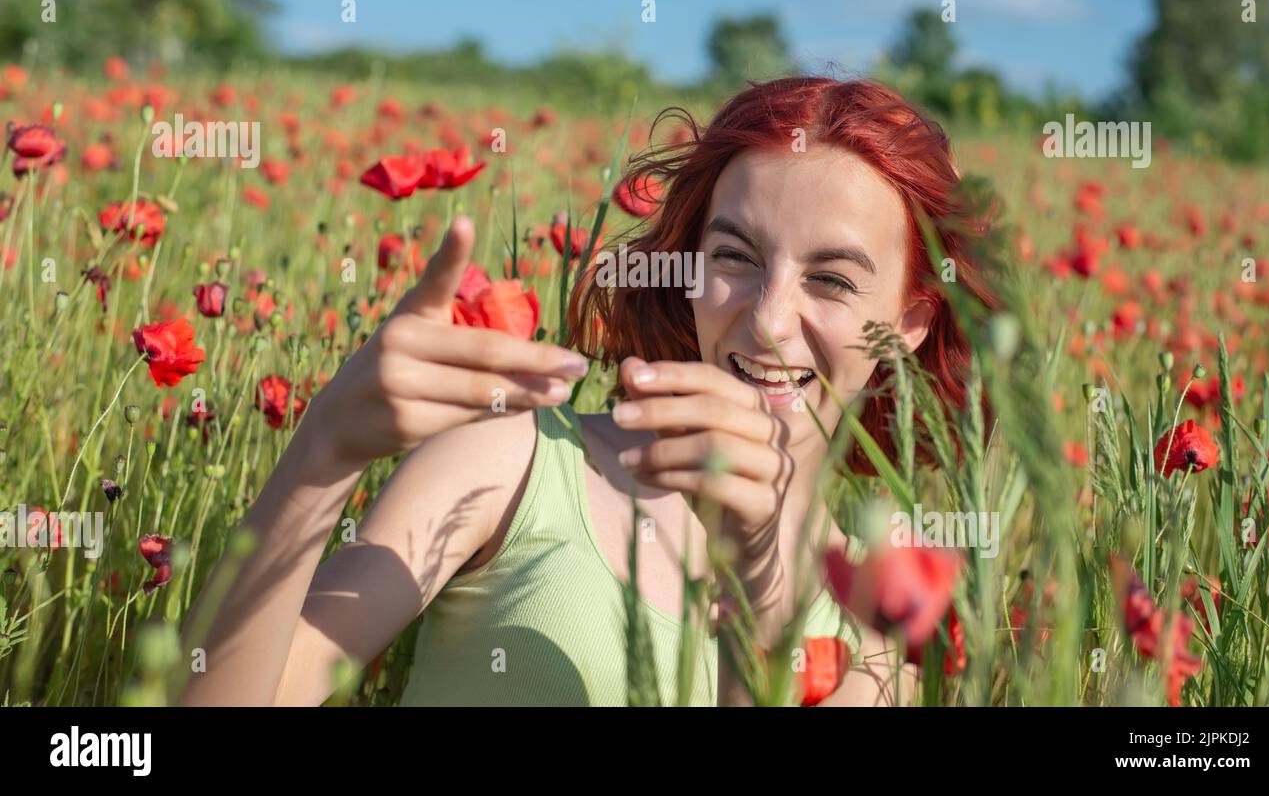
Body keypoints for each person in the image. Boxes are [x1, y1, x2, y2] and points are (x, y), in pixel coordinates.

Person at [177, 76, 993, 706]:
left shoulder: (878, 630)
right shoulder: (513, 463)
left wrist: (757, 591)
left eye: (832, 279)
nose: (769, 320)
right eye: (735, 257)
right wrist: (322, 453)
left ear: (910, 323)